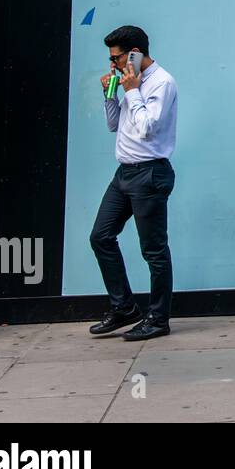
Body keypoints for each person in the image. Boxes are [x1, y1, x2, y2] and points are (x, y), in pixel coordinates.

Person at [89, 25, 178, 341]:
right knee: (100, 236)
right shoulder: (130, 82)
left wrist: (131, 90)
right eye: (111, 59)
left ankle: (158, 318)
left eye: (117, 58)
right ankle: (124, 307)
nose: (113, 64)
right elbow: (116, 125)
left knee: (153, 250)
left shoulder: (161, 83)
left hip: (150, 173)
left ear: (136, 53)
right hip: (124, 173)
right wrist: (111, 94)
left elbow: (147, 128)